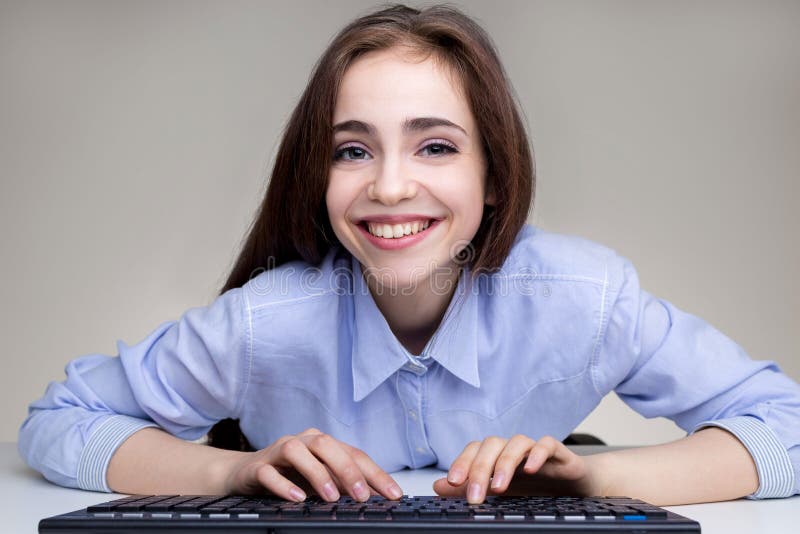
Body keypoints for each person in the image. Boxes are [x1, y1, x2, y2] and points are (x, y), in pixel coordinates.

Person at [18, 3, 799, 507]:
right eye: (352, 151)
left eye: (435, 146)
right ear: (317, 177)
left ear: (494, 175)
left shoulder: (585, 299)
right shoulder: (265, 323)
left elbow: (787, 428)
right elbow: (59, 421)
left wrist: (594, 476)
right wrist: (232, 475)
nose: (391, 186)